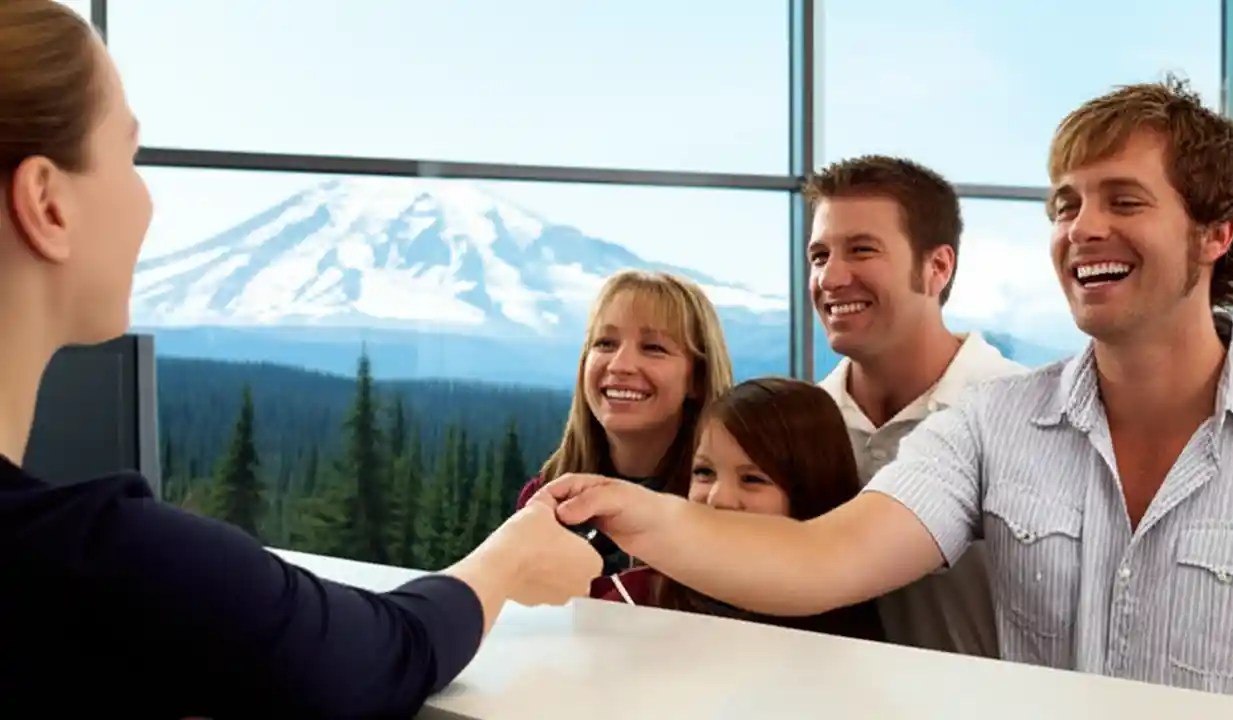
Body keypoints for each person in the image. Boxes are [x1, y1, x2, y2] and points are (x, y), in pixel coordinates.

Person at [536, 77, 1233, 701]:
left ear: (1216, 233)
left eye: (1123, 200)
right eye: (1065, 205)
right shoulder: (993, 425)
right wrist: (625, 507)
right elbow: (820, 560)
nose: (1081, 228)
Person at [0, 3, 601, 717]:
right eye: (130, 157)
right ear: (48, 203)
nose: (146, 199)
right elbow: (382, 654)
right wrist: (510, 560)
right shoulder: (99, 563)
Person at [806, 154, 1024, 657]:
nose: (832, 278)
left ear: (938, 267)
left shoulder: (1021, 418)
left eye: (861, 250)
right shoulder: (804, 422)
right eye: (819, 256)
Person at [598, 377, 883, 641]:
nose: (718, 499)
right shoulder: (634, 601)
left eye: (752, 479)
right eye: (704, 472)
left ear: (813, 494)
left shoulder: (854, 640)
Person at [513, 269, 734, 588]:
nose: (620, 365)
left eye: (653, 348)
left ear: (697, 379)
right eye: (605, 343)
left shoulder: (722, 508)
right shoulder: (544, 500)